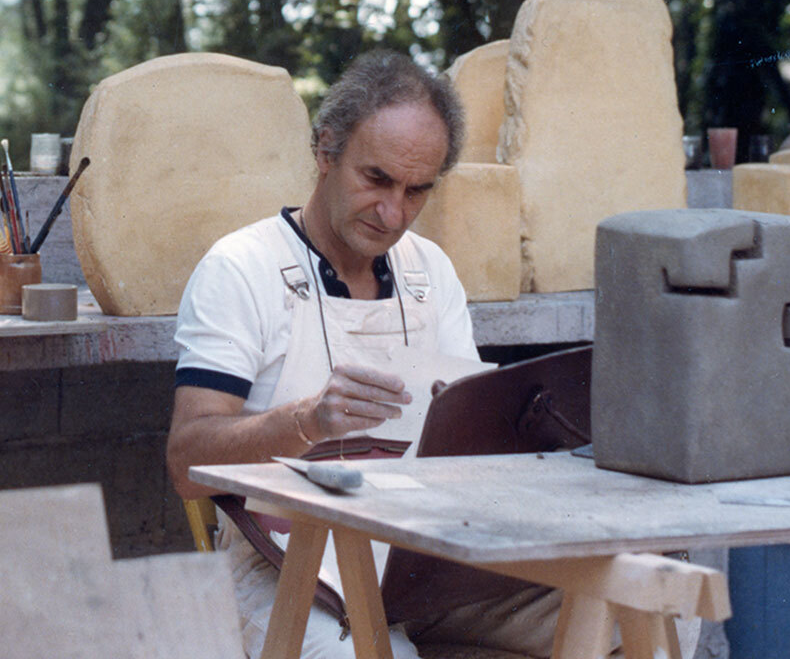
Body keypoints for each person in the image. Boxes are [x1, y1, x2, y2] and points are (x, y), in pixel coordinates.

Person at [165, 49, 564, 659]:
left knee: (637, 605)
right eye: (376, 179)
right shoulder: (241, 267)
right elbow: (185, 460)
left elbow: (468, 444)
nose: (393, 213)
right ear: (325, 150)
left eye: (416, 190)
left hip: (428, 557)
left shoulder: (430, 270)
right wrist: (306, 421)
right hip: (287, 563)